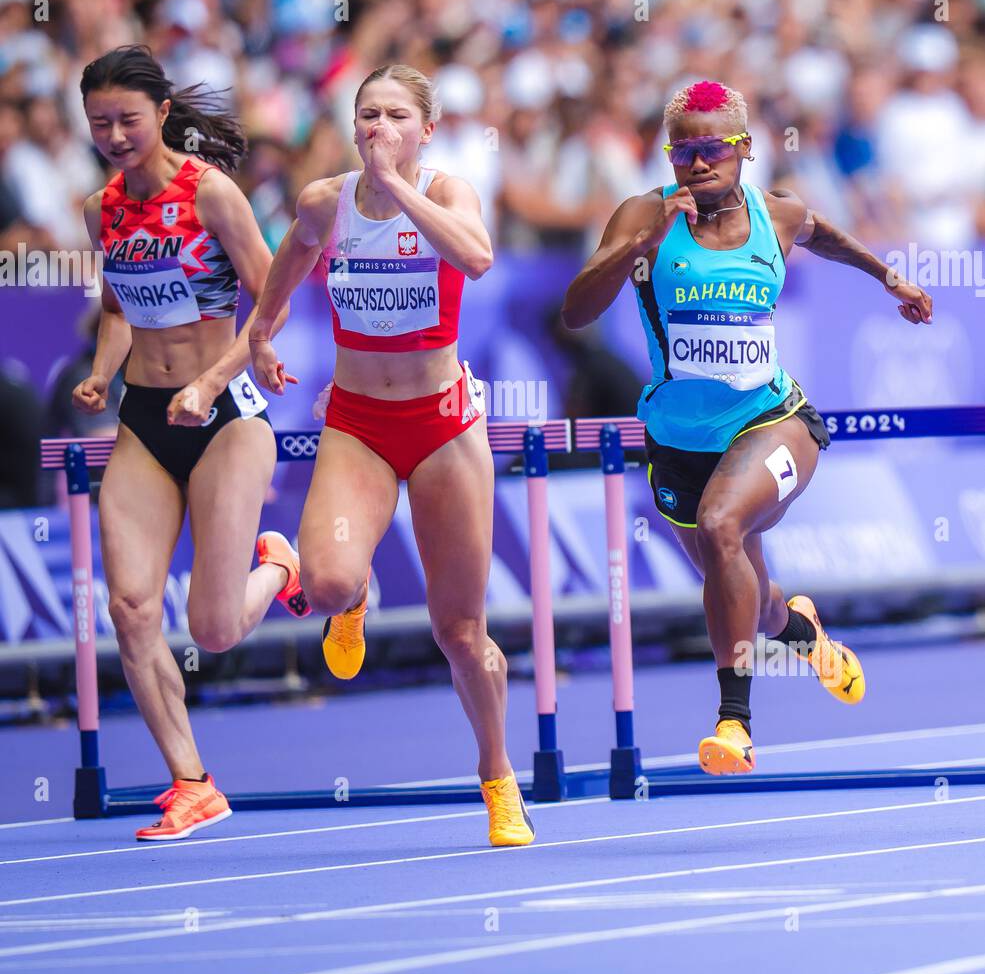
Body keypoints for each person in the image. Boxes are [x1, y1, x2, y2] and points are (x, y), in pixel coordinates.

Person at [562, 79, 933, 774]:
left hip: (772, 419)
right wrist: (633, 245)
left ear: (743, 150)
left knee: (721, 526)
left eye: (711, 149)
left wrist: (890, 279)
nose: (697, 164)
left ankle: (733, 724)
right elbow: (576, 311)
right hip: (678, 441)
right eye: (682, 152)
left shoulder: (775, 215)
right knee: (750, 599)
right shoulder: (644, 214)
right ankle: (799, 631)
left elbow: (824, 235)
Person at [249, 64, 534, 848]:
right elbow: (294, 254)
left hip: (443, 425)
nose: (380, 127)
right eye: (367, 115)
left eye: (397, 115)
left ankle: (497, 777)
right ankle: (349, 600)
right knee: (334, 579)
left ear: (426, 130)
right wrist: (261, 333)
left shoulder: (446, 193)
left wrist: (396, 185)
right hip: (358, 421)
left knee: (460, 633)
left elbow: (475, 259)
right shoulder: (324, 201)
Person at [76, 44, 309, 841]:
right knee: (132, 607)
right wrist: (104, 376)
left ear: (163, 114)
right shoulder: (99, 207)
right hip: (143, 417)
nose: (113, 136)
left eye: (127, 121)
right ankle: (192, 781)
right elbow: (115, 306)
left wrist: (211, 381)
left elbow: (270, 299)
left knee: (209, 630)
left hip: (224, 418)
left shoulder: (212, 197)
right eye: (99, 122)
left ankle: (280, 565)